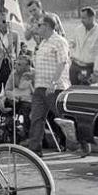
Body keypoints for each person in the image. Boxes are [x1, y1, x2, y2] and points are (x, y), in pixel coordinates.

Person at [27, 16, 70, 157]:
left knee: (63, 118)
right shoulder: (43, 43)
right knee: (36, 118)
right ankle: (34, 150)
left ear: (46, 26)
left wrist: (53, 82)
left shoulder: (59, 41)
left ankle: (78, 143)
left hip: (55, 87)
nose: (37, 28)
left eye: (39, 25)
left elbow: (62, 63)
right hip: (40, 86)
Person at [0, 8, 20, 111]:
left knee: (9, 92)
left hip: (9, 66)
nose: (6, 24)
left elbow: (18, 51)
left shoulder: (14, 35)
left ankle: (9, 116)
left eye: (8, 22)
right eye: (3, 22)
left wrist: (15, 61)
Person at [0, 55, 34, 140]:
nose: (15, 66)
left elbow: (36, 92)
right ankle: (6, 132)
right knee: (6, 103)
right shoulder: (13, 74)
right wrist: (10, 96)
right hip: (17, 100)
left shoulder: (34, 74)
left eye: (19, 64)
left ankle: (27, 136)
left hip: (30, 101)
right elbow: (7, 89)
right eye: (16, 64)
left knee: (26, 107)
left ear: (27, 66)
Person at [70, 7, 98, 86]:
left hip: (88, 67)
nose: (82, 20)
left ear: (92, 18)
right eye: (81, 18)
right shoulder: (78, 29)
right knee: (73, 91)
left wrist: (96, 73)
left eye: (84, 18)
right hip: (75, 66)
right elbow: (72, 42)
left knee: (85, 92)